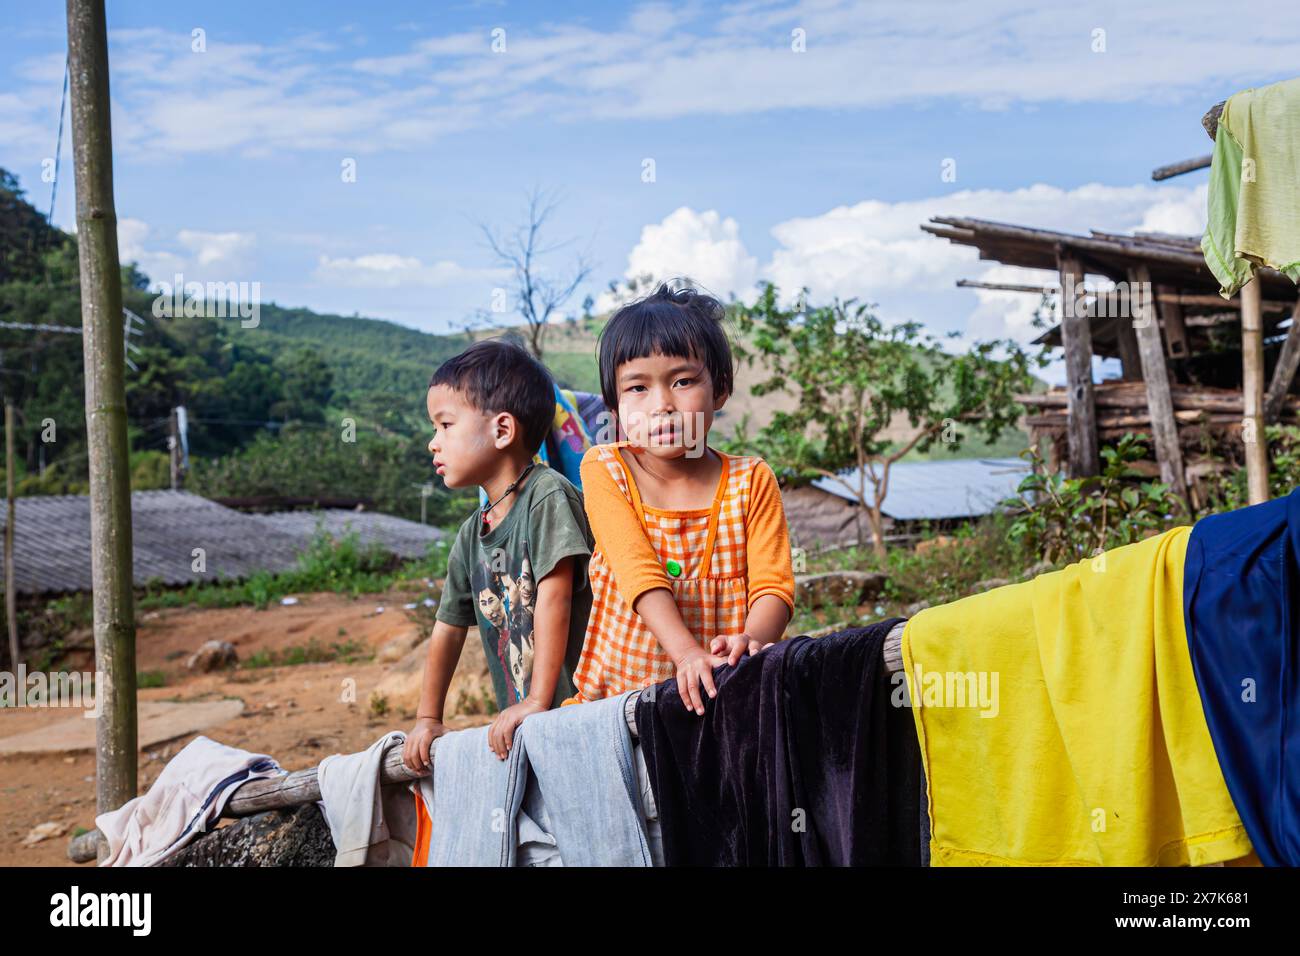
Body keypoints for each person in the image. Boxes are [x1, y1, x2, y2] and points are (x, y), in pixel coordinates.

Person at [567, 282, 796, 714]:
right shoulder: (606, 469)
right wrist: (687, 654)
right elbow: (638, 573)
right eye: (638, 388)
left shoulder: (752, 480)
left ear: (720, 390)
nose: (662, 405)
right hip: (616, 710)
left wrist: (752, 640)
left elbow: (773, 587)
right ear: (613, 407)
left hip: (720, 704)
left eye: (683, 380)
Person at [402, 340, 594, 769]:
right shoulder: (473, 532)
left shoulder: (548, 496)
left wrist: (539, 700)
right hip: (530, 726)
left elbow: (555, 596)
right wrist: (428, 718)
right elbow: (448, 629)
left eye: (445, 425)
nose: (434, 443)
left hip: (580, 712)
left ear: (502, 430)